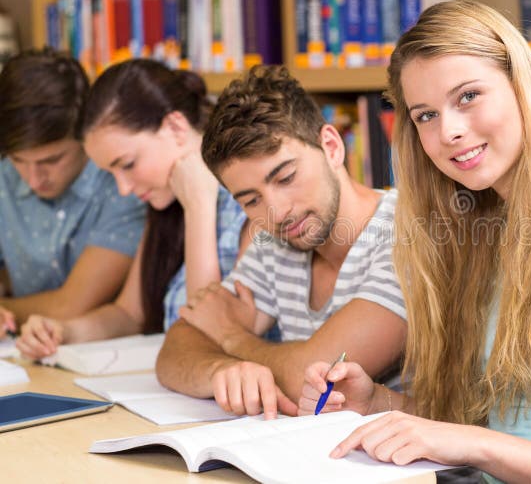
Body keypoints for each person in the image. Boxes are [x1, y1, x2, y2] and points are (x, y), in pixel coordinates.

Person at [298, 0, 531, 483]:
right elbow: (506, 423)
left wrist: (475, 445)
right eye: (425, 116)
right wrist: (377, 403)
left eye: (468, 96)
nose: (450, 131)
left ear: (521, 87)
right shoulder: (488, 223)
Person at [155, 65, 407, 419]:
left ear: (332, 147)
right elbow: (177, 347)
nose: (277, 212)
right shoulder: (274, 242)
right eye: (251, 200)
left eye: (286, 177)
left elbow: (315, 374)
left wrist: (231, 339)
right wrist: (220, 372)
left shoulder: (404, 234)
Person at [15, 59, 251, 360]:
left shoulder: (249, 201)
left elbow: (209, 336)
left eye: (127, 165)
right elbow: (129, 314)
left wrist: (199, 209)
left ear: (176, 127)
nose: (124, 189)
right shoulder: (166, 202)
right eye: (112, 173)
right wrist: (63, 331)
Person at [0, 49, 144, 335]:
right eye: (18, 160)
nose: (33, 179)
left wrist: (6, 308)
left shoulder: (124, 183)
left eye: (51, 160)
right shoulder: (4, 173)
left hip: (100, 355)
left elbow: (71, 306)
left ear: (84, 136)